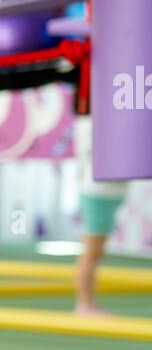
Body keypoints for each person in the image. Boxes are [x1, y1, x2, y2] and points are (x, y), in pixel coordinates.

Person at [73, 110, 128, 316]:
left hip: (109, 191)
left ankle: (86, 303)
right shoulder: (91, 126)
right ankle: (84, 304)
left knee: (96, 251)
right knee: (92, 251)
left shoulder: (107, 126)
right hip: (99, 192)